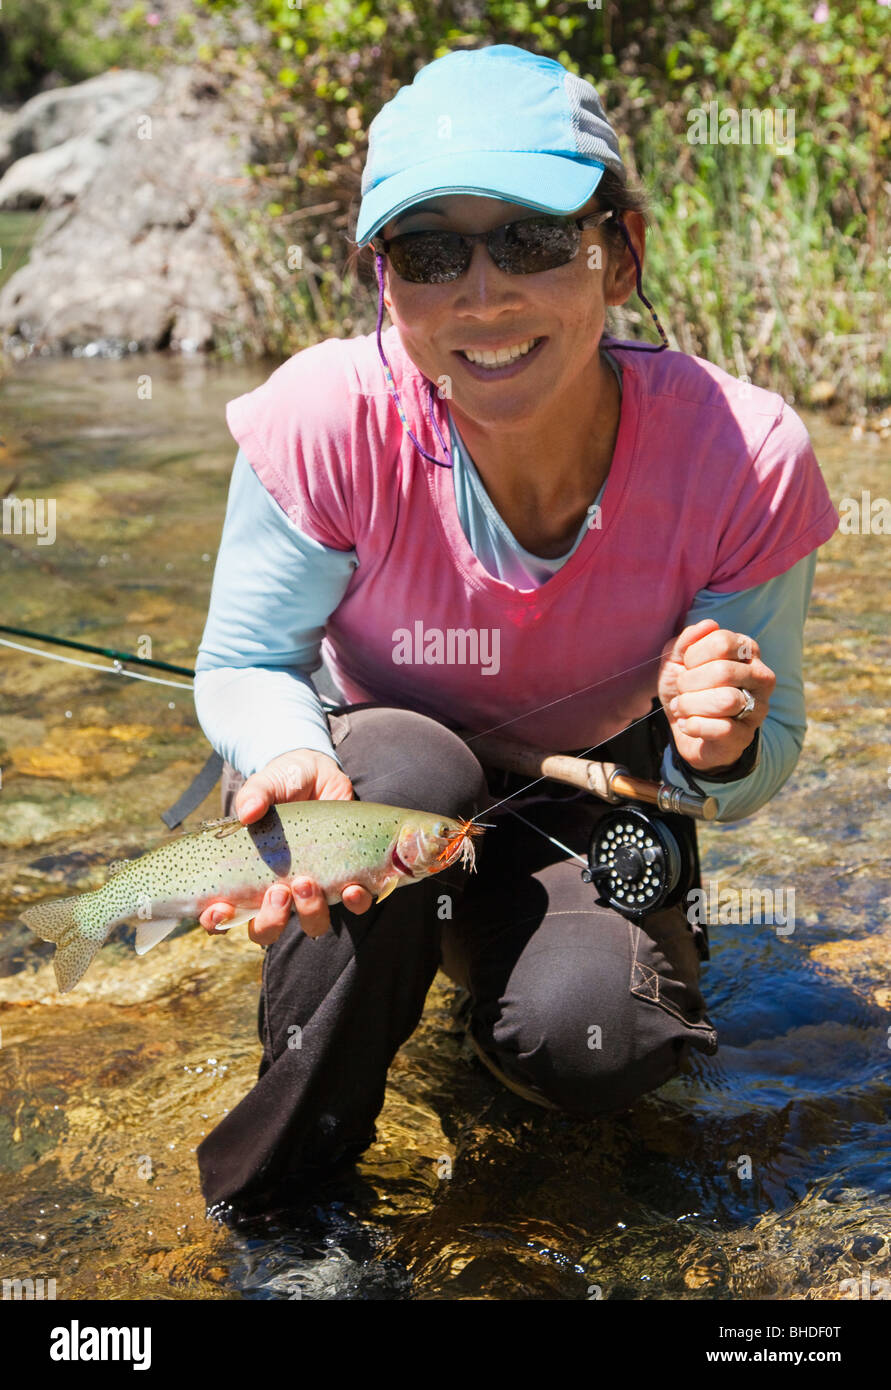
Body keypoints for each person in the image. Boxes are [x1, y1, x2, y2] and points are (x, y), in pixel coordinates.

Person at [191, 44, 838, 1213]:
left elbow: (763, 753)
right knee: (404, 764)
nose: (481, 296)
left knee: (603, 1040)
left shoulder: (744, 455)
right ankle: (282, 1208)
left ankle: (493, 1004)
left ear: (620, 254)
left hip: (586, 791)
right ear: (385, 281)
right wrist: (286, 752)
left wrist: (720, 745)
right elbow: (244, 662)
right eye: (430, 252)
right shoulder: (324, 419)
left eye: (533, 240)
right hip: (375, 780)